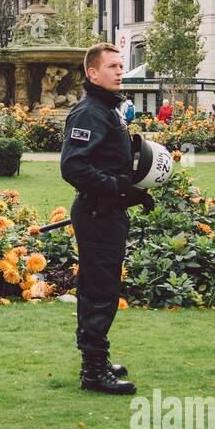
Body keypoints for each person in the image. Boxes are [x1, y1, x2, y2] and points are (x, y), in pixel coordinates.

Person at [60, 43, 154, 395]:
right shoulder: (89, 113)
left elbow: (109, 160)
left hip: (108, 209)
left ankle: (97, 358)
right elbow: (73, 166)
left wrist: (136, 183)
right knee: (99, 291)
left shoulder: (108, 109)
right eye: (112, 66)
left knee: (104, 288)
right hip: (97, 211)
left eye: (120, 66)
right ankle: (94, 371)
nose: (119, 71)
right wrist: (118, 188)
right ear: (92, 73)